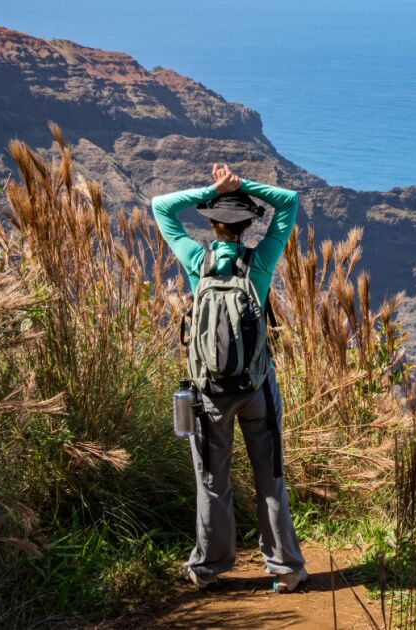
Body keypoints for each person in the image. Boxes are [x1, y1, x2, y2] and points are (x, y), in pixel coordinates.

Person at [151, 163, 307, 593]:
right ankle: (286, 569)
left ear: (213, 224)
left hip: (208, 394)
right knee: (269, 476)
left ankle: (208, 567)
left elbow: (161, 206)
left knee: (212, 481)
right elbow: (289, 202)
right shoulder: (260, 262)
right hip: (256, 388)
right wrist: (242, 185)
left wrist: (213, 189)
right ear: (247, 226)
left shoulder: (196, 261)